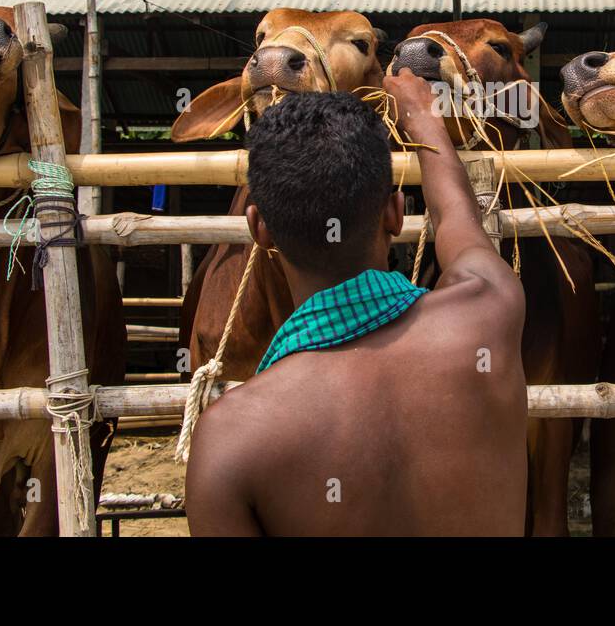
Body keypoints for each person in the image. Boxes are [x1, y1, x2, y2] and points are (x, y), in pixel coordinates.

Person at [185, 71, 528, 535]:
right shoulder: (488, 309)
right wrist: (423, 119)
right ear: (395, 212)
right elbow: (455, 216)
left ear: (257, 228)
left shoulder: (230, 437)